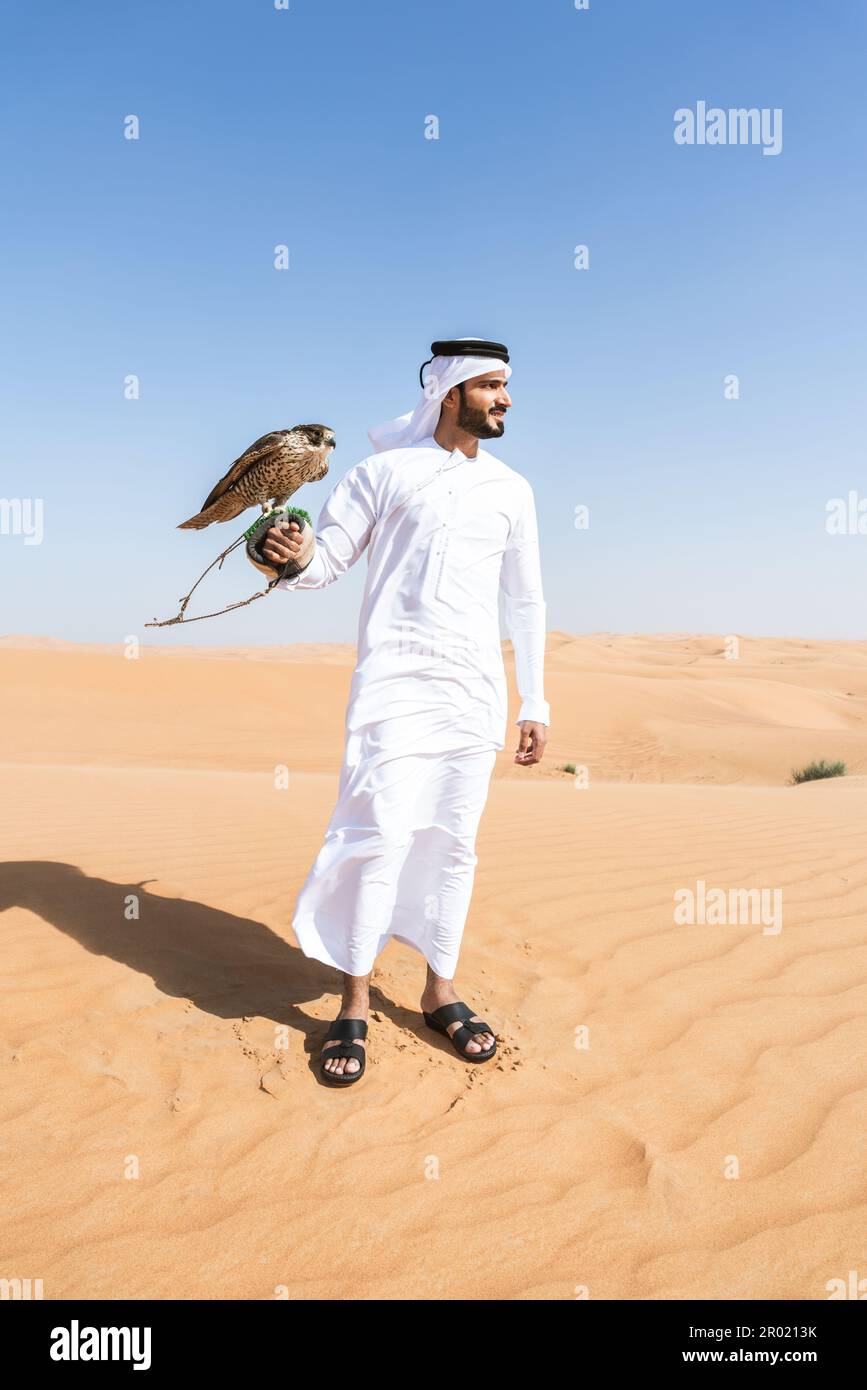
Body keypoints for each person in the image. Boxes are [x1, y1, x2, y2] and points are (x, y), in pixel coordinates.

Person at [254, 339, 550, 1085]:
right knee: (378, 835)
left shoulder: (513, 489)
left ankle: (438, 991)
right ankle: (351, 1001)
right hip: (393, 687)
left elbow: (526, 601)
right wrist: (285, 555)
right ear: (450, 393)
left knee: (452, 844)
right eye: (490, 386)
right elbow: (321, 564)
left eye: (507, 386)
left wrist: (534, 698)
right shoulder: (379, 473)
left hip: (473, 693)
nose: (505, 398)